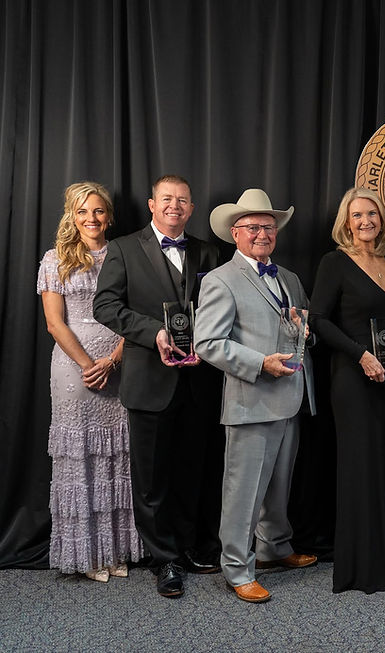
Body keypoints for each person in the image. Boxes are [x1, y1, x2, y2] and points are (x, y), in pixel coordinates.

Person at [93, 174, 224, 598]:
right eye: (167, 199)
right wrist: (154, 333)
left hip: (200, 381)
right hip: (149, 380)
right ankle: (163, 559)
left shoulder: (209, 251)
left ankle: (188, 548)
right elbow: (105, 306)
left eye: (183, 200)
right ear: (152, 204)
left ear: (191, 208)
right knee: (151, 479)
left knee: (192, 471)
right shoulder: (124, 248)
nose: (175, 206)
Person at [194, 188, 318, 603]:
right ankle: (236, 568)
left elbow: (300, 331)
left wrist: (305, 333)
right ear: (235, 233)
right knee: (244, 493)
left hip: (291, 396)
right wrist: (260, 363)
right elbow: (207, 342)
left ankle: (273, 548)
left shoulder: (290, 279)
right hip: (251, 401)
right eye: (253, 227)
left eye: (269, 226)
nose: (262, 233)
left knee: (279, 486)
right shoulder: (220, 279)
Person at [309, 187, 385, 594]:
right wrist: (360, 355)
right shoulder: (334, 263)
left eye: (372, 213)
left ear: (381, 219)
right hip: (354, 379)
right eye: (357, 215)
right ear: (346, 223)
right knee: (361, 466)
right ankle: (361, 566)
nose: (365, 221)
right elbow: (319, 320)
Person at [37, 181, 143, 582]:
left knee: (117, 455)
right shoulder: (55, 259)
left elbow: (137, 313)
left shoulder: (123, 254)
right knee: (81, 458)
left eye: (98, 210)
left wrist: (113, 360)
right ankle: (87, 556)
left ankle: (115, 550)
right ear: (72, 215)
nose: (91, 218)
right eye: (82, 211)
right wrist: (88, 365)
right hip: (74, 367)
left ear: (108, 216)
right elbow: (54, 323)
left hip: (121, 361)